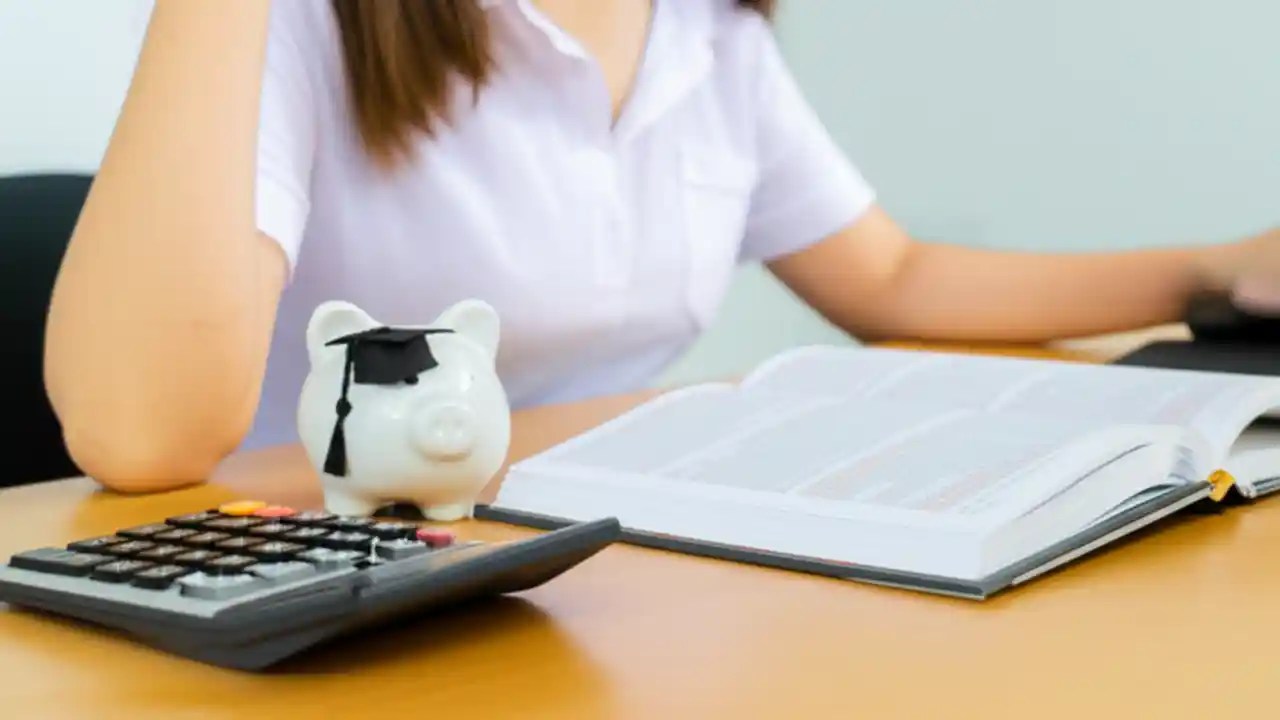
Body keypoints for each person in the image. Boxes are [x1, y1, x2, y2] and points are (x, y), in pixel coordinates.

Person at [45, 0, 1278, 493]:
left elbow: (889, 276)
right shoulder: (315, 20)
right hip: (338, 578)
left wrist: (1215, 267)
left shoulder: (703, 29)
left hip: (617, 561)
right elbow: (143, 439)